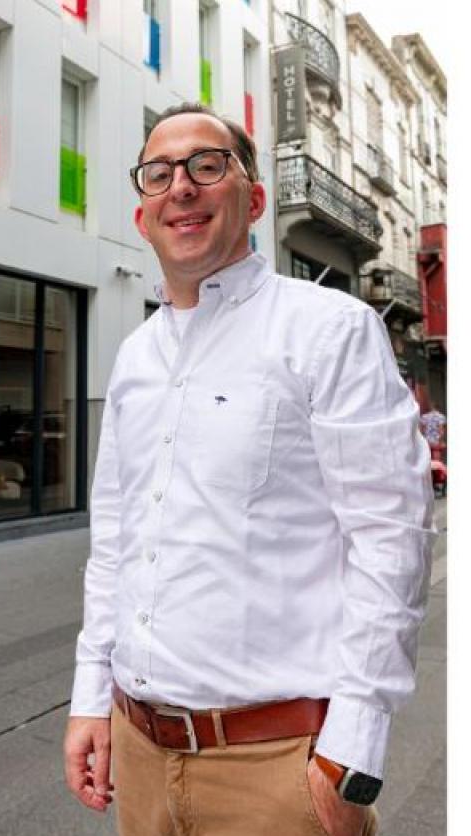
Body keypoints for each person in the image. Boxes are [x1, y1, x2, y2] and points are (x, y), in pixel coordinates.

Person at [63, 103, 433, 836]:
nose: (182, 187)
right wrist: (89, 698)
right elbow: (116, 542)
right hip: (139, 749)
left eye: (208, 165)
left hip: (278, 762)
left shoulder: (328, 329)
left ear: (253, 198)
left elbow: (391, 537)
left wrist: (347, 757)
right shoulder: (137, 356)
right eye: (159, 174)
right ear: (143, 216)